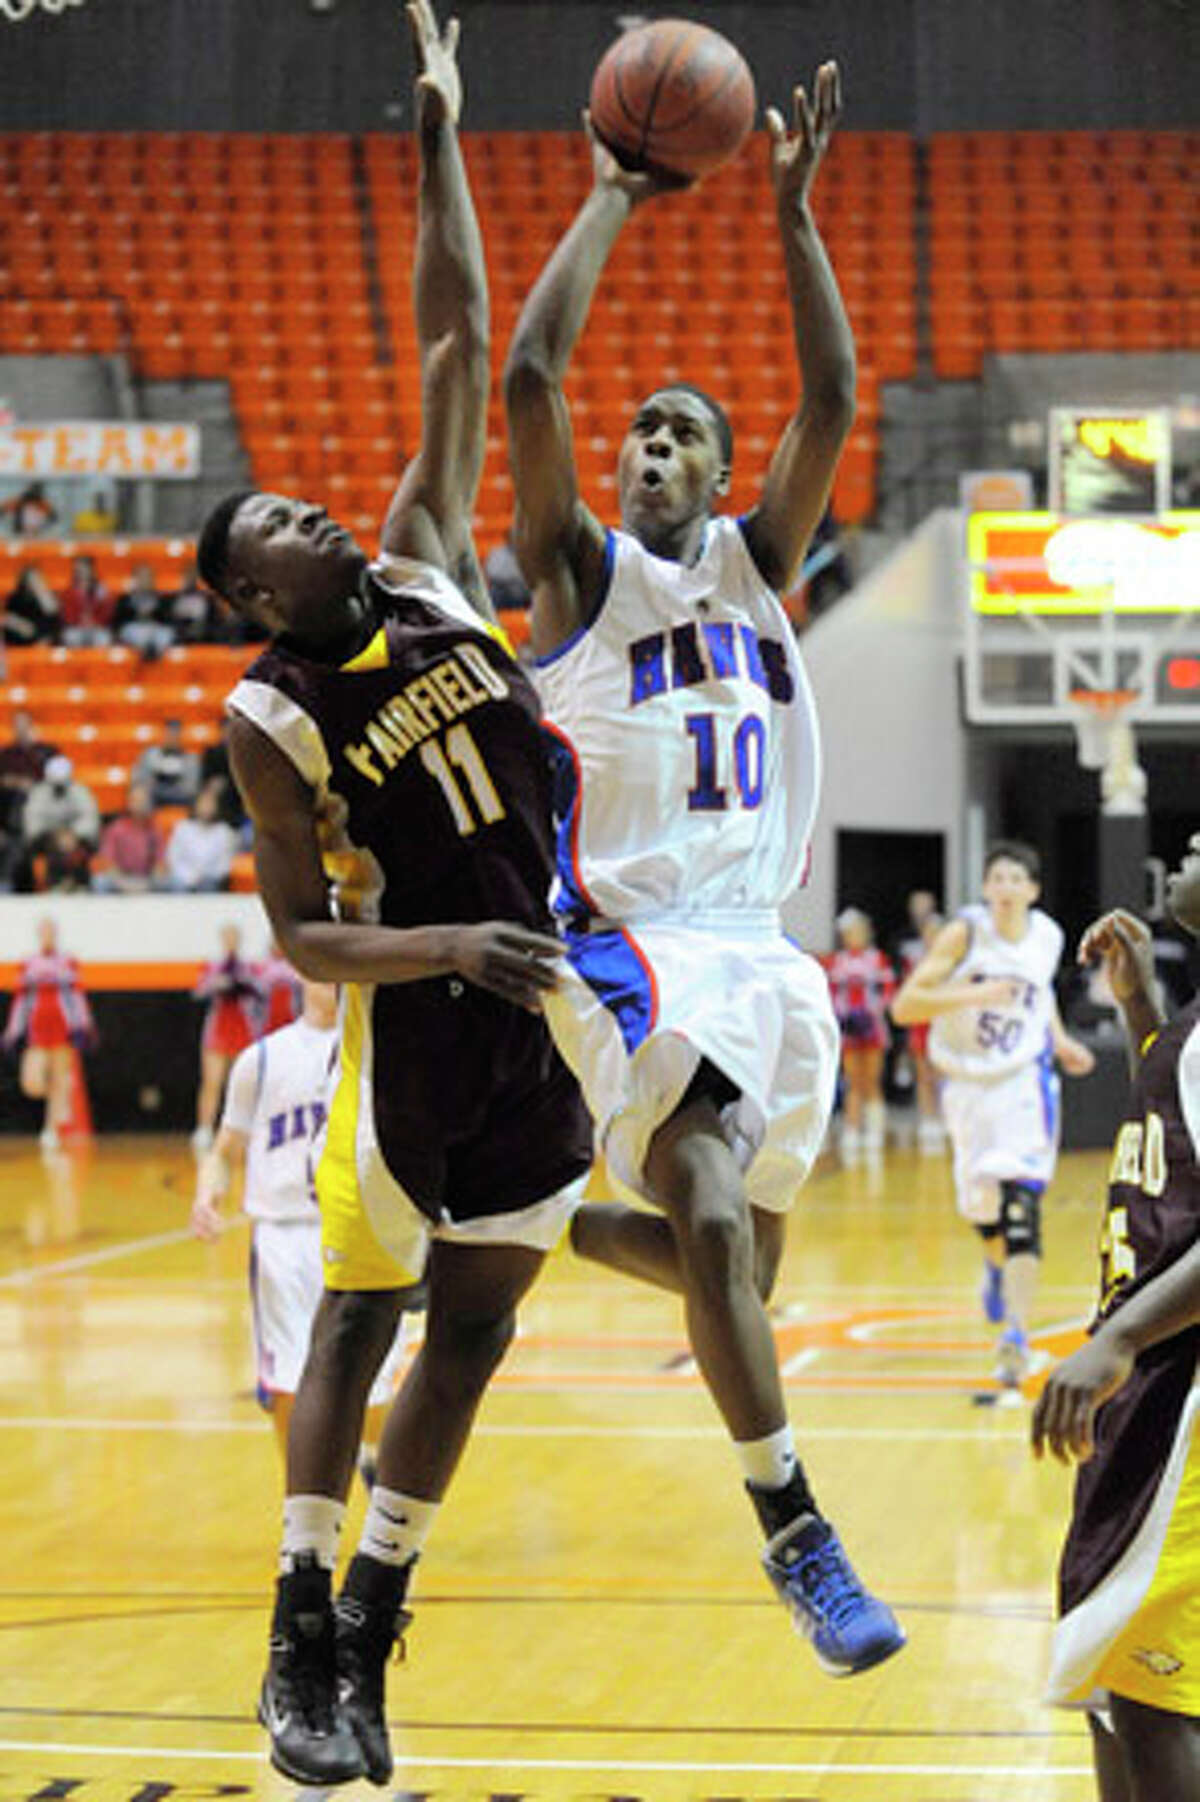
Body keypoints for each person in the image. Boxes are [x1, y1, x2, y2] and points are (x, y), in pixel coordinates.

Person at [195, 4, 592, 1786]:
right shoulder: (272, 711)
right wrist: (447, 943)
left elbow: (453, 329)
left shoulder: (428, 570)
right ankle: (294, 1624)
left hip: (542, 997)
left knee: (485, 1325)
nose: (310, 512)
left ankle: (370, 1618)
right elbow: (295, 936)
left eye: (302, 498)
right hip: (416, 1016)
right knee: (363, 1311)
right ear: (248, 592)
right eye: (273, 517)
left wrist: (440, 124)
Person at [503, 64, 904, 1676]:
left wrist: (797, 217)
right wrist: (613, 188)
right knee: (725, 1222)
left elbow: (833, 401)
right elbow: (530, 376)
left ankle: (558, 1223)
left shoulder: (751, 567)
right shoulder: (580, 583)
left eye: (679, 432)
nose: (647, 444)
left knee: (725, 1248)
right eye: (639, 433)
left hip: (765, 950)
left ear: (719, 475)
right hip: (637, 940)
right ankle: (799, 1532)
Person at [1032, 841, 1200, 1802]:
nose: (1182, 852)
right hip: (1148, 1398)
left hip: (1181, 1393)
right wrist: (1139, 1007)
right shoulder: (1185, 1035)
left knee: (1151, 1690)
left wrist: (1119, 1338)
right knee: (1112, 1683)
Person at [190, 978, 414, 1482]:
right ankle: (304, 1507)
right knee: (288, 1381)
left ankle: (376, 1473)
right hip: (284, 1237)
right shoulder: (261, 1060)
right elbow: (224, 1152)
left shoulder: (385, 1049)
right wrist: (208, 1194)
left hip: (364, 1231)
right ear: (300, 972)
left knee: (376, 1381)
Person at [891, 841, 1096, 1388]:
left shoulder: (1049, 936)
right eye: (997, 879)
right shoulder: (964, 935)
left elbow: (1040, 994)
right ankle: (995, 1267)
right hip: (966, 1084)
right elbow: (904, 1007)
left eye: (1015, 879)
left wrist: (1058, 1039)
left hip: (1023, 1082)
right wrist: (971, 994)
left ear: (1033, 891)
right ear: (985, 890)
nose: (1005, 888)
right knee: (984, 1210)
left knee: (1021, 1204)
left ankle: (1016, 1334)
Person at [2, 916, 96, 1150]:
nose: (48, 936)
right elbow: (21, 1001)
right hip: (37, 1028)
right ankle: (58, 1101)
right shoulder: (29, 963)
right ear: (38, 935)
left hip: (62, 1028)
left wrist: (84, 1025)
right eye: (43, 932)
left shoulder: (67, 962)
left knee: (58, 1079)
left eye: (51, 932)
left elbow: (77, 998)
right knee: (32, 1083)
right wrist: (13, 1031)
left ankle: (51, 1130)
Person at [825, 907, 895, 1161]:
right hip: (848, 1029)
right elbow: (831, 992)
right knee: (853, 1080)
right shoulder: (838, 960)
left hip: (872, 1027)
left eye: (857, 931)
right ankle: (852, 1129)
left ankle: (874, 1130)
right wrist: (840, 1014)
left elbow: (888, 990)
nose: (853, 936)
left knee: (872, 1080)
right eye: (848, 932)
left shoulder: (878, 959)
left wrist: (875, 1010)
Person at [191, 923, 265, 1154]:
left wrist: (243, 984)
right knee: (212, 1082)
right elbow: (199, 990)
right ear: (222, 939)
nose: (231, 941)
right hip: (218, 1031)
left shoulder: (248, 967)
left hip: (243, 1029)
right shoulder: (213, 966)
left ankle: (246, 1129)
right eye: (228, 937)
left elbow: (260, 990)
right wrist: (219, 982)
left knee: (244, 1083)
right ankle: (204, 1129)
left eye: (235, 937)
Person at [21, 755, 100, 883]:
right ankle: (46, 884)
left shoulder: (81, 791)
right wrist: (55, 836)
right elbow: (32, 822)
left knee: (85, 848)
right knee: (30, 851)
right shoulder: (38, 793)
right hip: (48, 840)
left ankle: (80, 884)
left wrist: (73, 834)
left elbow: (90, 818)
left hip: (75, 839)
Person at [91, 779, 166, 893]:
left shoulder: (155, 829)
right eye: (136, 800)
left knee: (174, 881)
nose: (140, 804)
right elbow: (107, 862)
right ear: (129, 802)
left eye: (143, 800)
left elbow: (160, 862)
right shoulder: (116, 829)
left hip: (147, 880)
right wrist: (123, 884)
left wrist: (150, 882)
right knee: (100, 881)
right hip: (121, 878)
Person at [164, 784, 236, 892]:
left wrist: (205, 877)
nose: (206, 807)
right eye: (203, 803)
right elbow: (173, 858)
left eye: (210, 803)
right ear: (196, 804)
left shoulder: (224, 831)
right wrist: (189, 876)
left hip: (211, 880)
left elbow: (225, 864)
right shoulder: (182, 828)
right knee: (176, 884)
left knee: (208, 886)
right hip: (183, 878)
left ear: (217, 806)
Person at [0, 708, 58, 837]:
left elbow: (56, 776)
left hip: (40, 797)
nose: (21, 728)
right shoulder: (6, 753)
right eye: (17, 725)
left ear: (31, 725)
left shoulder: (46, 751)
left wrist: (32, 749)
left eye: (24, 724)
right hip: (10, 801)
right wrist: (14, 782)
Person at [134, 717, 201, 808]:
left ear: (181, 736)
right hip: (154, 796)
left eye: (175, 735)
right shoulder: (150, 755)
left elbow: (191, 788)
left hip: (182, 798)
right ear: (164, 735)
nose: (172, 738)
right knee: (140, 794)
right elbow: (141, 779)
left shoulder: (191, 759)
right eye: (169, 734)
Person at [113, 560, 175, 659]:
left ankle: (153, 656)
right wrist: (137, 615)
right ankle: (145, 653)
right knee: (131, 632)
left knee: (166, 634)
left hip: (155, 629)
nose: (145, 580)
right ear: (135, 579)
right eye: (141, 577)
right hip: (135, 628)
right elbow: (118, 622)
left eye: (148, 577)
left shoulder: (162, 599)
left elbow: (167, 620)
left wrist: (152, 614)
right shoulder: (125, 599)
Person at [58, 553, 114, 646]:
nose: (81, 571)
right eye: (78, 568)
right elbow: (66, 615)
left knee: (103, 638)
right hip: (76, 628)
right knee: (70, 637)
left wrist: (95, 622)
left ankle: (98, 660)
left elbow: (107, 612)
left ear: (91, 569)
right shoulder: (69, 591)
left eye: (83, 568)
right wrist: (79, 621)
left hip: (97, 628)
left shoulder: (101, 589)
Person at [2, 562, 61, 646]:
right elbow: (8, 618)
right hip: (21, 638)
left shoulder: (48, 596)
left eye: (37, 579)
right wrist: (19, 625)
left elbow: (54, 618)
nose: (34, 582)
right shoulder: (15, 598)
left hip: (44, 638)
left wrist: (43, 594)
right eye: (31, 579)